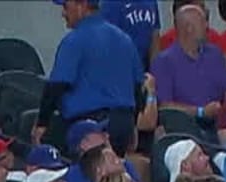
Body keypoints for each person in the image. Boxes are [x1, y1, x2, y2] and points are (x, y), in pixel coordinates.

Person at [35, 0, 145, 157]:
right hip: (123, 123)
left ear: (82, 6)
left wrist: (41, 124)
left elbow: (56, 87)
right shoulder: (125, 39)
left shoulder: (74, 40)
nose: (63, 13)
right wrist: (132, 124)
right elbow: (139, 89)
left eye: (66, 7)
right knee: (113, 175)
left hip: (89, 126)